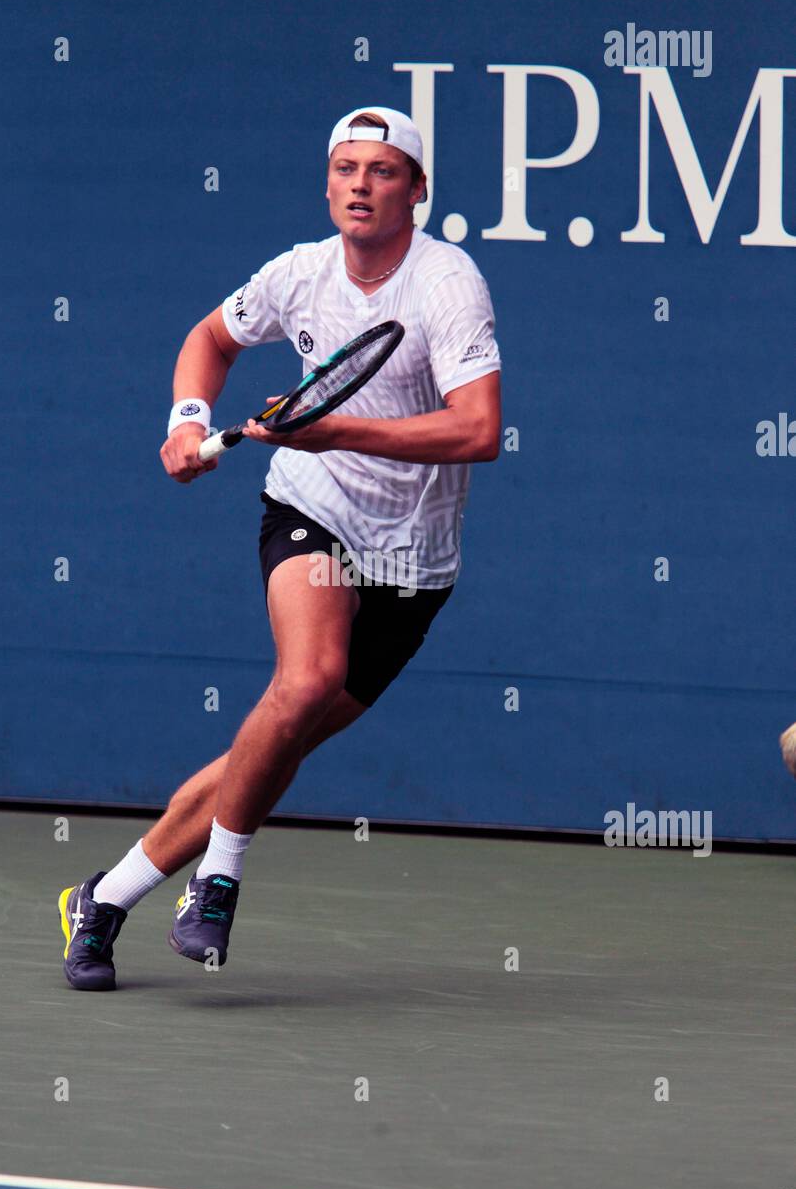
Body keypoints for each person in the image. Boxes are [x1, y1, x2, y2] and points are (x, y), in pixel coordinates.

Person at [58, 106, 502, 991]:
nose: (360, 185)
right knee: (302, 683)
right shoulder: (299, 274)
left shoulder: (448, 283)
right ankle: (217, 883)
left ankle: (102, 898)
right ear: (328, 184)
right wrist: (188, 419)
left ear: (417, 190)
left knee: (272, 744)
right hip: (312, 511)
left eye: (381, 171)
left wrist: (334, 429)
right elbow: (210, 340)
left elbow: (479, 430)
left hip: (415, 562)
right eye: (345, 169)